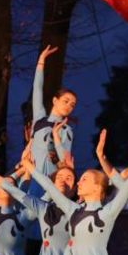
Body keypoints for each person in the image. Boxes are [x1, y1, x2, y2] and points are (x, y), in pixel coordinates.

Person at [30, 44, 77, 179]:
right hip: (31, 175)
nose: (69, 106)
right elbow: (37, 89)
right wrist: (41, 60)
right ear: (55, 100)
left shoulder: (66, 129)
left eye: (73, 105)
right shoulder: (40, 118)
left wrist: (56, 138)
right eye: (66, 101)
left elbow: (64, 161)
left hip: (50, 178)